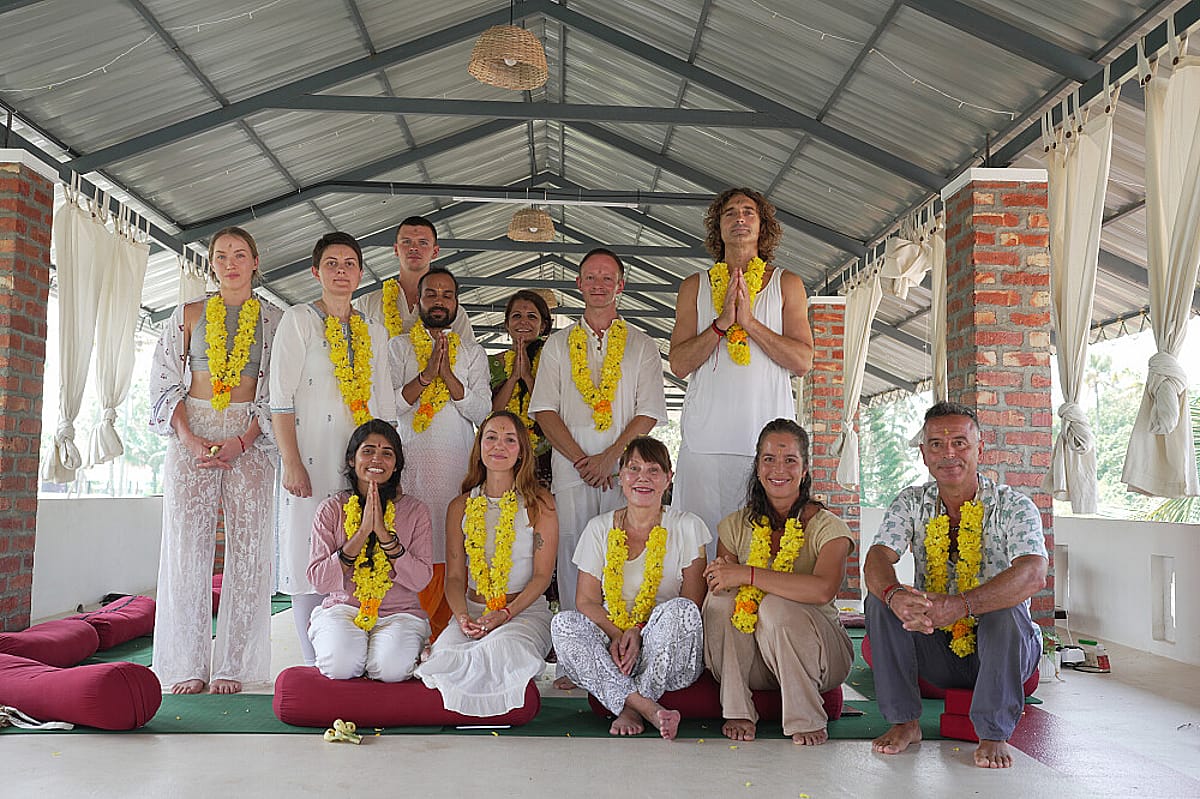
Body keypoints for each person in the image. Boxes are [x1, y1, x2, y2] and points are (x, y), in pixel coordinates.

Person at [864, 401, 1047, 769]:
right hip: (937, 646)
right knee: (878, 601)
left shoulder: (1013, 506)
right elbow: (877, 558)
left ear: (981, 448)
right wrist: (895, 595)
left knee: (1006, 610)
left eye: (960, 443)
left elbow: (1033, 573)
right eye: (936, 444)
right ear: (924, 454)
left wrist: (962, 605)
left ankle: (993, 733)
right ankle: (905, 722)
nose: (948, 453)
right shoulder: (912, 502)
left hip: (1003, 648)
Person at [149, 226, 282, 695]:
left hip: (252, 435)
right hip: (193, 434)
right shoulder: (186, 315)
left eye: (239, 254)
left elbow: (279, 393)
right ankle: (187, 662)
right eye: (221, 255)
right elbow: (164, 382)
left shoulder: (274, 320)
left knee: (248, 549)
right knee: (187, 547)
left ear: (254, 261)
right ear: (211, 264)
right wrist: (188, 438)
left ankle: (235, 665)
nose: (230, 263)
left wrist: (243, 441)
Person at [529, 248, 668, 688]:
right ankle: (575, 661)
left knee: (624, 553)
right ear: (579, 285)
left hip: (626, 470)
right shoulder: (556, 343)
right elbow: (544, 410)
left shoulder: (642, 344)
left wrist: (611, 460)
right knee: (574, 556)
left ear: (621, 285)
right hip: (572, 467)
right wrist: (581, 460)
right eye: (590, 277)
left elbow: (648, 412)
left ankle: (626, 650)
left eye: (607, 277)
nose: (599, 284)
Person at [271, 232, 397, 665]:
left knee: (360, 543)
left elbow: (383, 406)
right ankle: (311, 662)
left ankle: (352, 651)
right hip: (309, 455)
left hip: (363, 463)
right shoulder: (299, 319)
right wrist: (290, 461)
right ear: (315, 271)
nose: (341, 271)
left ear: (361, 273)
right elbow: (281, 397)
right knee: (310, 545)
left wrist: (386, 465)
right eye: (331, 263)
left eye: (349, 264)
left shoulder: (373, 331)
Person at [669, 188, 814, 557]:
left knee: (761, 549)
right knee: (698, 548)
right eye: (730, 212)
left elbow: (802, 361)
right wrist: (720, 325)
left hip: (765, 445)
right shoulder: (694, 286)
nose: (740, 218)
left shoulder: (787, 283)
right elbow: (679, 364)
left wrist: (748, 322)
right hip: (704, 445)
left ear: (762, 226)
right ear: (718, 227)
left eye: (749, 212)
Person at [702, 419, 854, 746]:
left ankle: (806, 717)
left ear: (805, 469)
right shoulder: (733, 526)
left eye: (790, 460)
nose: (778, 469)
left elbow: (823, 589)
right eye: (769, 459)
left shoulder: (829, 527)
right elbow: (719, 584)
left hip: (818, 657)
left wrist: (748, 574)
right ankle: (737, 709)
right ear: (757, 467)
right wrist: (731, 578)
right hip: (752, 660)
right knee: (723, 600)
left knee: (777, 606)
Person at [551, 437, 708, 741]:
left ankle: (628, 707)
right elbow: (585, 600)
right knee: (563, 624)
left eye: (653, 470)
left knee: (682, 611)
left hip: (667, 648)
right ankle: (647, 708)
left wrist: (640, 630)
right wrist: (619, 634)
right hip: (617, 647)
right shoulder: (599, 528)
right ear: (620, 476)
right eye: (633, 468)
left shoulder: (688, 525)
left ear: (668, 479)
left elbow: (693, 601)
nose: (643, 478)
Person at [415, 411, 557, 715]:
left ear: (521, 452)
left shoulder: (539, 503)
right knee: (443, 659)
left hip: (523, 613)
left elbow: (543, 576)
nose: (499, 446)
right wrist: (463, 616)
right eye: (490, 437)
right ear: (479, 447)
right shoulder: (460, 506)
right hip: (474, 613)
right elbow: (455, 578)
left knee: (500, 650)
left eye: (509, 440)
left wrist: (504, 614)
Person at [389, 267, 490, 641]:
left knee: (454, 547)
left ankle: (450, 636)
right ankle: (410, 634)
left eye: (447, 295)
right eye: (432, 294)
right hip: (411, 468)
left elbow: (481, 411)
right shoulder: (398, 347)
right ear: (420, 300)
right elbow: (391, 407)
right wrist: (426, 377)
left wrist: (448, 375)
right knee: (413, 543)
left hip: (456, 469)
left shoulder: (473, 353)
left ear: (456, 303)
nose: (439, 302)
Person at [307, 420, 433, 681]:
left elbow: (421, 579)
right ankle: (359, 653)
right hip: (345, 609)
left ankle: (375, 655)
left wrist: (386, 539)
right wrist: (362, 532)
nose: (377, 458)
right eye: (368, 451)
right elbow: (319, 580)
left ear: (396, 465)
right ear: (352, 459)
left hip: (399, 612)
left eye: (387, 453)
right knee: (340, 665)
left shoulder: (415, 511)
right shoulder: (331, 508)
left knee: (392, 669)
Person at [355, 215, 475, 340]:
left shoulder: (452, 312)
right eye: (406, 242)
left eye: (423, 243)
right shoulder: (368, 303)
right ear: (396, 249)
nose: (414, 248)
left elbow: (468, 355)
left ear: (435, 252)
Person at [488, 289, 554, 487]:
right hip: (503, 452)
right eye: (516, 316)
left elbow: (552, 412)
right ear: (507, 325)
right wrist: (513, 379)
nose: (523, 321)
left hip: (546, 455)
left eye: (531, 316)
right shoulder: (493, 363)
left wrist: (527, 377)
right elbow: (492, 414)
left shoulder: (553, 361)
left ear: (543, 326)